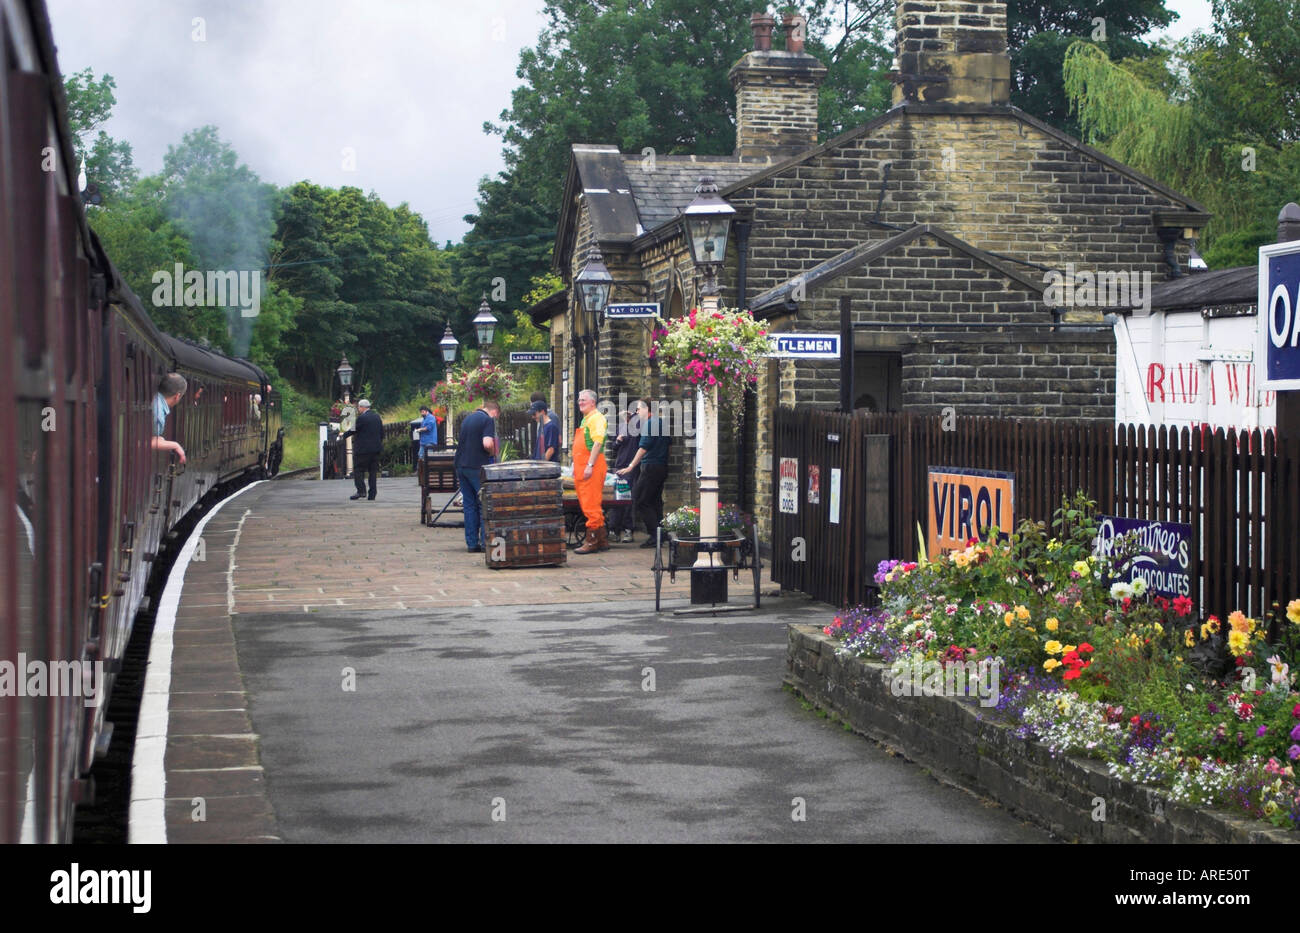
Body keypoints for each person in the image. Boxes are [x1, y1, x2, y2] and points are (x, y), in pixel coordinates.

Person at [617, 397, 671, 548]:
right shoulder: (661, 423)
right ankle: (662, 533)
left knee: (640, 499)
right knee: (655, 501)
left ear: (648, 410)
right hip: (661, 466)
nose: (637, 411)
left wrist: (631, 466)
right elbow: (669, 446)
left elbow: (643, 448)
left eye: (639, 408)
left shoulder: (650, 424)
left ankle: (655, 536)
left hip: (651, 467)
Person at [455, 398, 500, 552]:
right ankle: (483, 542)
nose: (495, 419)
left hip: (461, 465)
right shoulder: (487, 420)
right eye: (496, 416)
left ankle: (471, 544)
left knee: (469, 505)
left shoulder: (467, 418)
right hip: (476, 467)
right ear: (494, 411)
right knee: (483, 504)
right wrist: (493, 451)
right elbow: (487, 443)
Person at [572, 389, 609, 554]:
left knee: (590, 505)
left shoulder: (596, 419)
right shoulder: (586, 419)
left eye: (583, 400)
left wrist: (590, 465)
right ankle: (601, 540)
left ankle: (592, 541)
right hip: (583, 466)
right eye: (579, 400)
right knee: (590, 503)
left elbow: (598, 443)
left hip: (590, 467)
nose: (580, 402)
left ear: (593, 402)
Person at [608, 402, 642, 543]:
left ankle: (628, 530)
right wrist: (617, 440)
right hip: (620, 466)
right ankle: (614, 530)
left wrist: (632, 416)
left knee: (628, 499)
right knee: (617, 499)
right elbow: (614, 447)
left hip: (631, 467)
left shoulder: (639, 426)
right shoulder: (620, 427)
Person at [342, 398, 382, 501]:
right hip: (375, 450)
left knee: (358, 470)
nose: (358, 409)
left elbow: (353, 429)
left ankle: (361, 491)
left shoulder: (362, 418)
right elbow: (382, 433)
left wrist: (344, 435)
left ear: (362, 407)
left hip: (363, 451)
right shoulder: (377, 417)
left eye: (359, 407)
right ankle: (372, 494)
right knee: (372, 472)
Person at [152, 373, 188, 464]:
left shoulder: (155, 400)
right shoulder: (158, 413)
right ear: (177, 396)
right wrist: (176, 445)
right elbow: (146, 442)